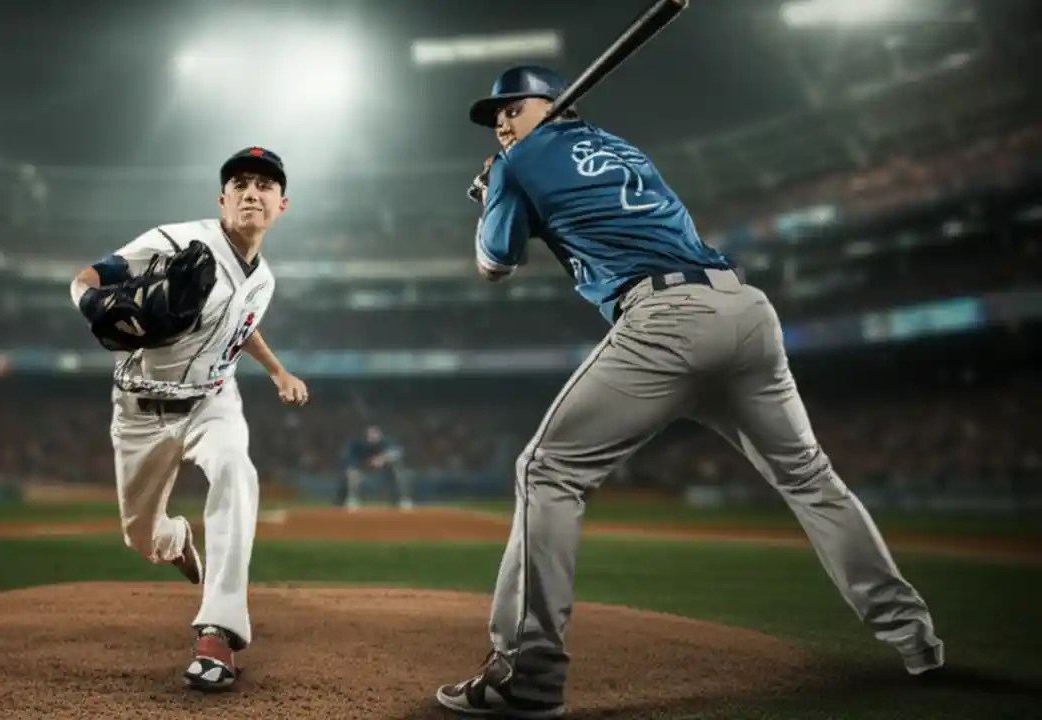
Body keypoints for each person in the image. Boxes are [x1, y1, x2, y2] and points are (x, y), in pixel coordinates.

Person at [435, 66, 944, 719]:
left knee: (547, 470)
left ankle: (528, 678)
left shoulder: (517, 164)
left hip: (665, 323)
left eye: (514, 107)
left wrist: (491, 199)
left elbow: (494, 266)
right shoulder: (624, 148)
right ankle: (917, 639)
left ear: (558, 104)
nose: (502, 122)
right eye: (495, 116)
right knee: (812, 481)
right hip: (743, 310)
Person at [69, 146, 310, 693]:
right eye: (241, 184)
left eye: (265, 186)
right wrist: (89, 302)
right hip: (139, 410)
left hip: (211, 401)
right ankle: (175, 539)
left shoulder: (264, 279)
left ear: (282, 205)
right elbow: (89, 275)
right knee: (139, 537)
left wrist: (277, 371)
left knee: (236, 471)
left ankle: (218, 633)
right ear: (222, 199)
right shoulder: (178, 241)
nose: (252, 192)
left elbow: (239, 325)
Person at [338, 424, 412, 510]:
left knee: (397, 471)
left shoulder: (387, 442)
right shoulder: (356, 445)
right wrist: (359, 466)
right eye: (369, 435)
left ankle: (401, 499)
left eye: (375, 435)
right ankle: (351, 499)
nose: (372, 438)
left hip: (384, 469)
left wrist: (383, 458)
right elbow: (347, 458)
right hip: (362, 468)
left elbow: (397, 452)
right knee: (350, 474)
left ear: (380, 435)